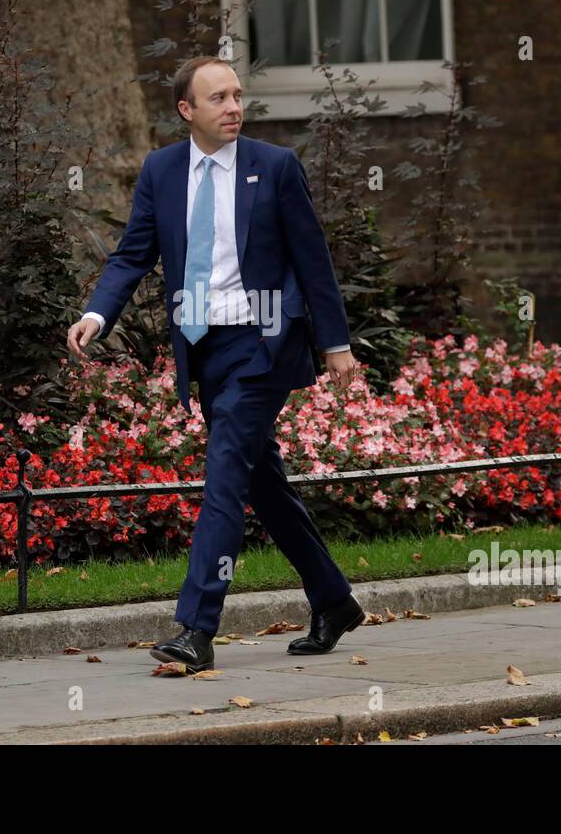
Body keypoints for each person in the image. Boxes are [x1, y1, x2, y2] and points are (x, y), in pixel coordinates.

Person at [66, 56, 365, 672]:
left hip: (263, 344)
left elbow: (313, 260)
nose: (234, 107)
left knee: (226, 473)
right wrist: (97, 315)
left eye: (237, 95)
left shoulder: (275, 168)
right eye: (219, 98)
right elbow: (132, 255)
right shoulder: (163, 170)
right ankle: (334, 601)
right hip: (205, 349)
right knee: (262, 483)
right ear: (187, 111)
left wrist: (335, 343)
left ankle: (195, 629)